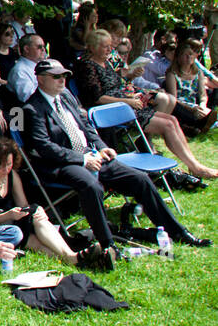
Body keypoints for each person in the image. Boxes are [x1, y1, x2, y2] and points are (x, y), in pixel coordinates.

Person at [22, 59, 209, 253]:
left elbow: (86, 126)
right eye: (56, 76)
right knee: (91, 186)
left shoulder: (66, 95)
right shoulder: (31, 109)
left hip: (90, 155)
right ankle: (107, 244)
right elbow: (44, 147)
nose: (62, 80)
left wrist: (102, 147)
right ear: (41, 79)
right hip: (63, 163)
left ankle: (177, 232)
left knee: (140, 179)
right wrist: (84, 160)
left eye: (64, 76)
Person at [75, 29, 217, 180]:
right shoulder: (87, 66)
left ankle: (194, 164)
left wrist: (130, 86)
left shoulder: (105, 63)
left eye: (110, 46)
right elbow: (98, 98)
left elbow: (116, 85)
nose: (110, 49)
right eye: (105, 46)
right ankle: (196, 168)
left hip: (124, 104)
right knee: (167, 125)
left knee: (172, 120)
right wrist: (128, 101)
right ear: (92, 47)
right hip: (112, 111)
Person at [0, 134, 104, 269]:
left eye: (9, 164)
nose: (5, 170)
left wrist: (34, 210)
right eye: (0, 166)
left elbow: (23, 205)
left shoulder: (12, 175)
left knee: (37, 217)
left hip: (15, 219)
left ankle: (73, 258)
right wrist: (9, 215)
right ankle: (74, 259)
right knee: (31, 240)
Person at [164, 38, 218, 133]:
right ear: (179, 57)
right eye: (185, 55)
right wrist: (191, 108)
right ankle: (199, 124)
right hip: (181, 105)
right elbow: (174, 98)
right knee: (178, 108)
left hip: (194, 104)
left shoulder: (198, 73)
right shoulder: (172, 74)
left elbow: (202, 94)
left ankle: (197, 123)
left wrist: (202, 105)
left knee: (205, 107)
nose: (189, 57)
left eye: (191, 54)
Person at [8, 33, 47, 104]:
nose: (43, 49)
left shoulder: (42, 66)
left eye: (44, 46)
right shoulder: (19, 71)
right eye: (39, 47)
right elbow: (29, 98)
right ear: (26, 49)